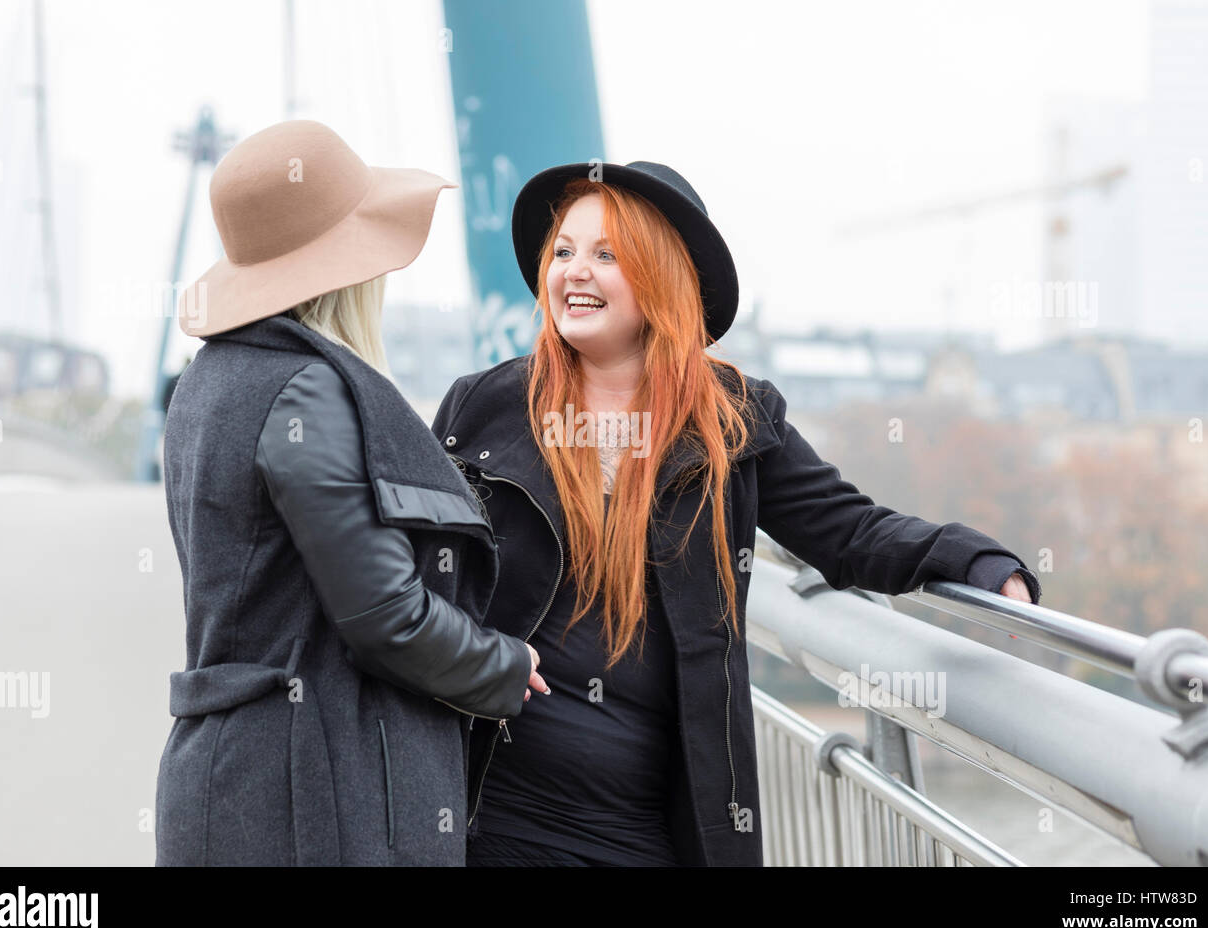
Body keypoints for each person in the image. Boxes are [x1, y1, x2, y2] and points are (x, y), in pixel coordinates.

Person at [433, 161, 1041, 867]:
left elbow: (848, 533)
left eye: (606, 255)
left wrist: (975, 560)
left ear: (663, 278)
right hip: (492, 807)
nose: (574, 271)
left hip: (655, 823)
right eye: (563, 252)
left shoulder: (736, 421)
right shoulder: (481, 407)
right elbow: (415, 576)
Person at [154, 119, 546, 866]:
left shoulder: (208, 381)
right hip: (309, 798)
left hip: (225, 778)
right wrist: (504, 664)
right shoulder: (308, 392)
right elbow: (383, 614)